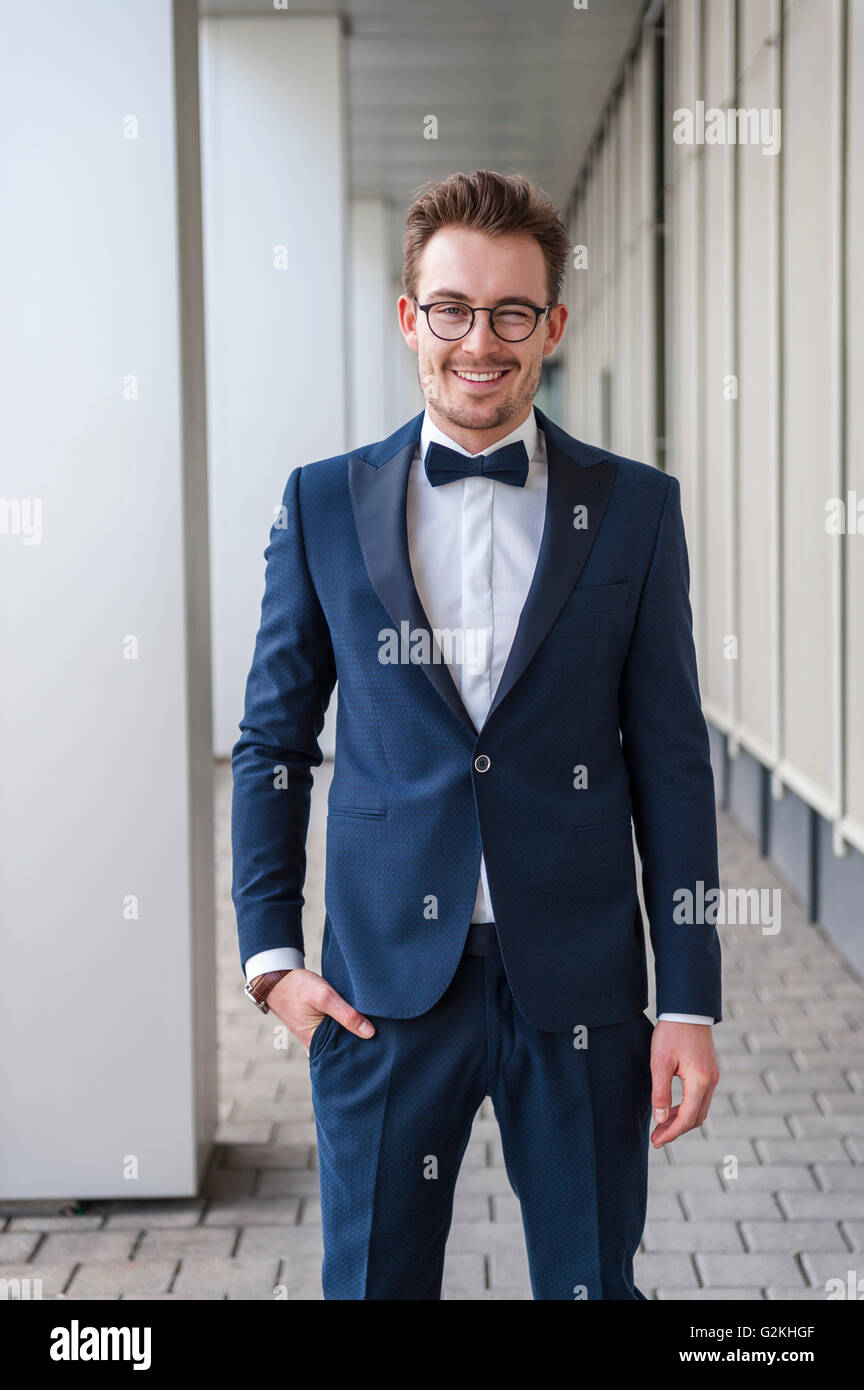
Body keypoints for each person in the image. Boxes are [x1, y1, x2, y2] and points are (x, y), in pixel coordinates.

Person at [231, 169, 722, 1300]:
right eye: (452, 308)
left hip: (585, 987)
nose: (480, 341)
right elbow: (271, 743)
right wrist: (271, 964)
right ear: (412, 318)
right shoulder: (321, 503)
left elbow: (674, 766)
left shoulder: (635, 508)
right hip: (382, 994)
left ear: (552, 323)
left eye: (512, 312)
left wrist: (688, 998)